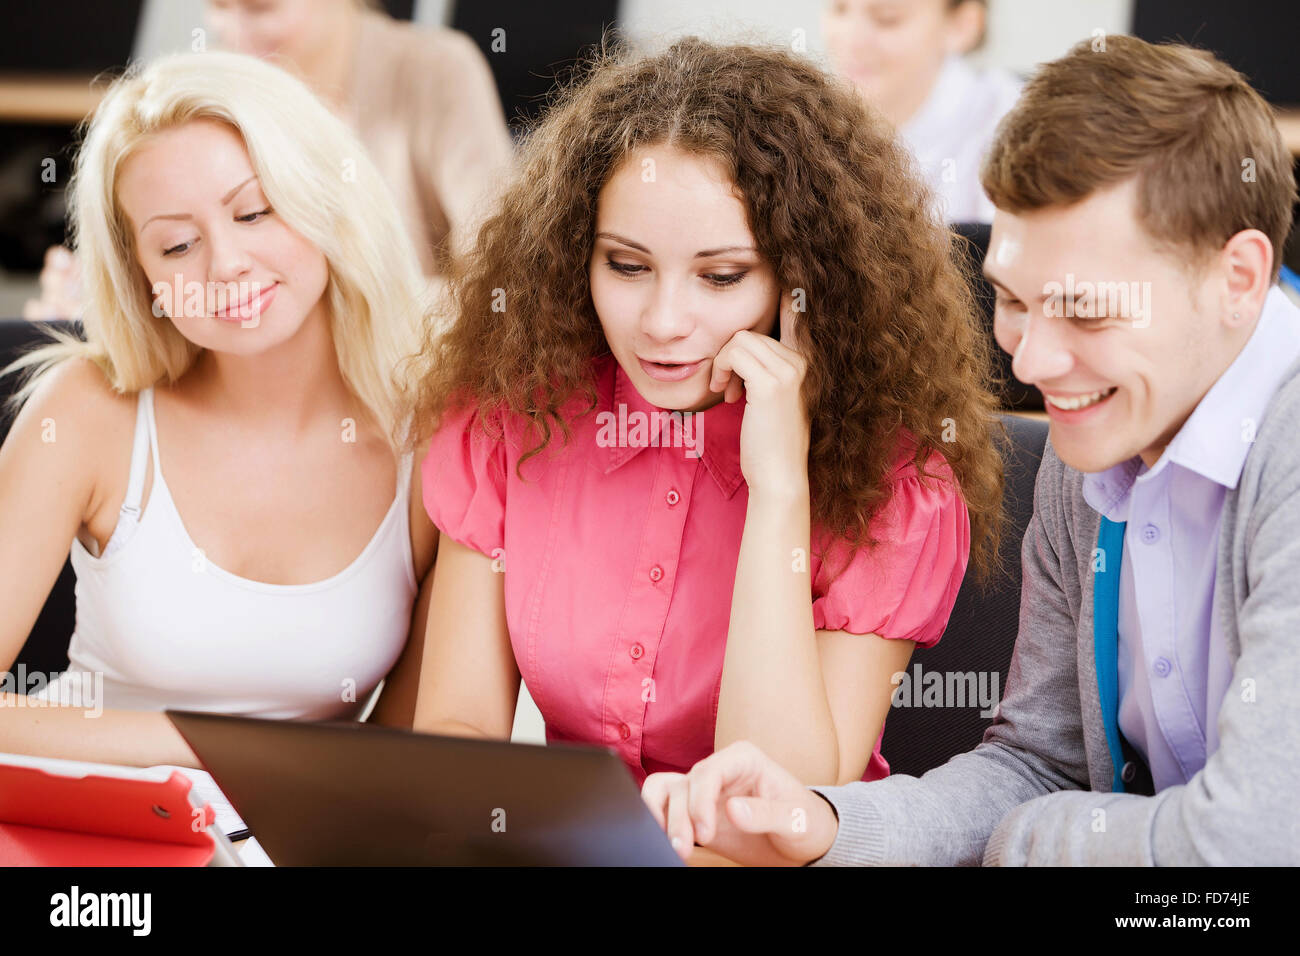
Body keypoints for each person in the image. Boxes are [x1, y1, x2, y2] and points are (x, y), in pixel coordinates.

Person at [641, 35, 1300, 866]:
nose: (1031, 363)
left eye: (1087, 312)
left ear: (1237, 279)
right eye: (1015, 301)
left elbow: (1251, 842)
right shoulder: (1093, 453)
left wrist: (1033, 837)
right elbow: (1037, 765)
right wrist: (824, 823)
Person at [405, 38, 1005, 790]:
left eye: (720, 277)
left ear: (806, 281)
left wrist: (780, 489)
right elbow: (458, 738)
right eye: (626, 265)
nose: (662, 321)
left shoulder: (890, 484)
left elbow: (779, 804)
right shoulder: (518, 423)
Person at [0, 51, 436, 767]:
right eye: (177, 244)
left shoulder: (427, 439)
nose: (226, 263)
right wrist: (216, 749)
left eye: (255, 211)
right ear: (145, 281)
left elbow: (401, 750)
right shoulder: (87, 412)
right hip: (73, 820)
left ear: (323, 199)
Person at [24, 0, 514, 318]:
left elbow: (506, 285)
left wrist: (303, 308)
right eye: (217, 7)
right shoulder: (202, 90)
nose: (235, 32)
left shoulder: (434, 70)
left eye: (260, 9)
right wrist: (110, 300)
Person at [823, 0, 1021, 223]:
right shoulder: (812, 127)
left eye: (887, 18)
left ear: (962, 25)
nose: (851, 40)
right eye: (839, 8)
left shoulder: (1016, 131)